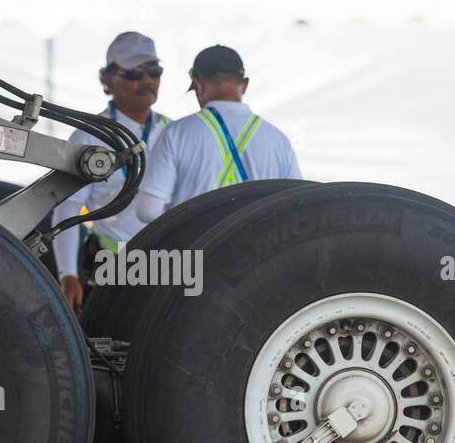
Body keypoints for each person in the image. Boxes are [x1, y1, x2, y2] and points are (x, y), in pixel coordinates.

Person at [54, 31, 171, 311]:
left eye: (154, 72)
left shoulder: (174, 132)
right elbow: (67, 207)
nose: (147, 81)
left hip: (169, 267)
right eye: (134, 74)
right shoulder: (89, 136)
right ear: (109, 79)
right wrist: (67, 273)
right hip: (112, 265)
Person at [135, 45, 300, 223]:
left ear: (197, 83)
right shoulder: (278, 140)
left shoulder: (176, 134)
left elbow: (147, 211)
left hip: (196, 248)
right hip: (263, 248)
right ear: (244, 85)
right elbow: (297, 206)